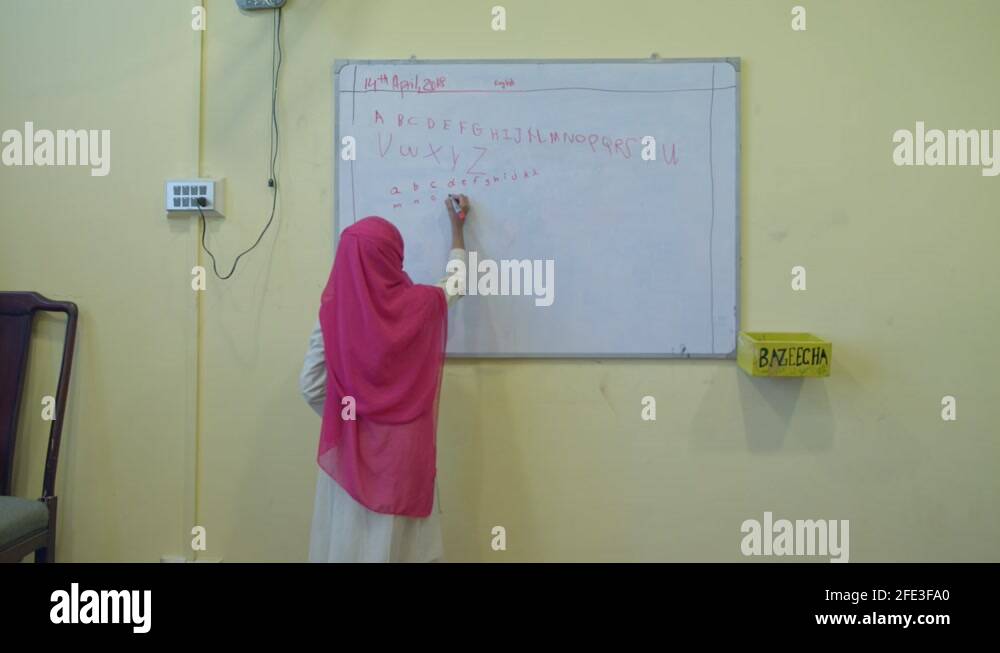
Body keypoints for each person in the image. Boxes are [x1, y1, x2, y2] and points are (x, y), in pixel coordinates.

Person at [299, 195, 470, 562]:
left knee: (347, 542)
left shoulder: (333, 315)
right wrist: (457, 230)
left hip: (349, 451)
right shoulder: (421, 306)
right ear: (394, 258)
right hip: (404, 453)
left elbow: (310, 386)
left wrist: (348, 419)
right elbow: (457, 283)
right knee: (403, 545)